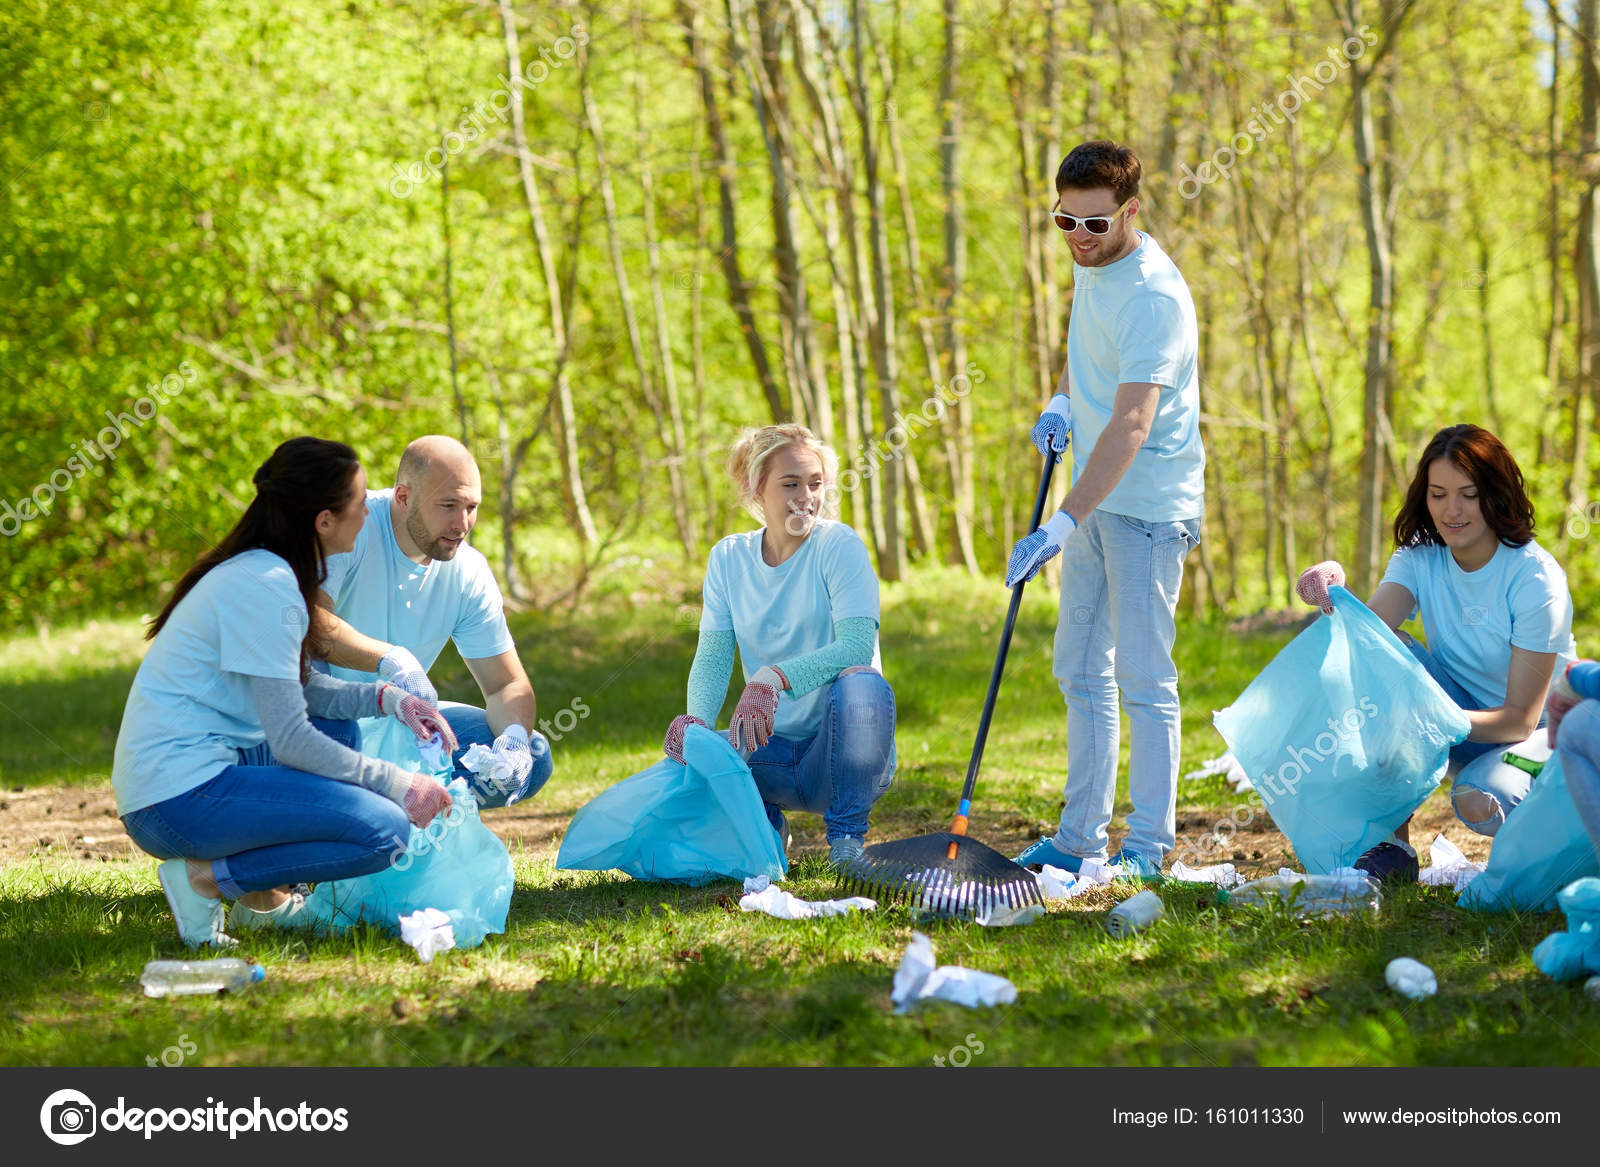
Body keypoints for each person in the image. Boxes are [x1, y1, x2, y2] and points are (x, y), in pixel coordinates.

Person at [115, 437, 458, 948]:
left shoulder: (268, 573)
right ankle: (204, 880)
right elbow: (292, 737)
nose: (369, 510)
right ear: (323, 521)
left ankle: (253, 882)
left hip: (182, 784)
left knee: (338, 729)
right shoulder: (267, 584)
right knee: (386, 830)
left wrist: (388, 698)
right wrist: (398, 784)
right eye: (359, 501)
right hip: (174, 800)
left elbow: (302, 691)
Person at [1006, 140, 1205, 881]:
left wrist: (1059, 523)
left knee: (1147, 679)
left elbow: (1131, 425)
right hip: (1093, 493)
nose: (1079, 239)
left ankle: (1149, 847)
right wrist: (1062, 398)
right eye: (1065, 222)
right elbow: (1089, 354)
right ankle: (1077, 837)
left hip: (1148, 506)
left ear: (1130, 211)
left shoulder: (1155, 294)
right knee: (1080, 669)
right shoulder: (1092, 266)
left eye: (1095, 224)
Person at [1296, 423, 1577, 882]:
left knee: (1479, 799)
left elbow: (1522, 718)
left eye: (1469, 494)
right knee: (1384, 652)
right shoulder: (1420, 555)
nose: (1452, 511)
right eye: (1438, 494)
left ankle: (1563, 841)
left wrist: (1426, 719)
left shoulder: (1534, 578)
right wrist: (1335, 599)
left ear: (1497, 494)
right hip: (1457, 717)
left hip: (1541, 734)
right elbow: (1366, 636)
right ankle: (1393, 850)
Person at [662, 424, 897, 868]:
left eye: (815, 483)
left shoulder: (838, 545)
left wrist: (774, 677)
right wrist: (696, 725)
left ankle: (846, 842)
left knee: (861, 683)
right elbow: (713, 656)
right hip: (767, 751)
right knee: (696, 748)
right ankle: (767, 825)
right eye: (790, 484)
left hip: (842, 756)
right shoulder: (728, 558)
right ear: (756, 489)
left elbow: (856, 647)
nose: (806, 497)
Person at [313, 435, 552, 810]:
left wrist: (515, 739)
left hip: (402, 725)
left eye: (471, 507)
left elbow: (505, 683)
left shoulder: (469, 572)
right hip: (323, 720)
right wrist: (392, 660)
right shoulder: (350, 526)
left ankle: (406, 810)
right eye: (448, 505)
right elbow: (309, 621)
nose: (462, 524)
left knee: (536, 754)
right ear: (403, 497)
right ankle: (361, 810)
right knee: (334, 739)